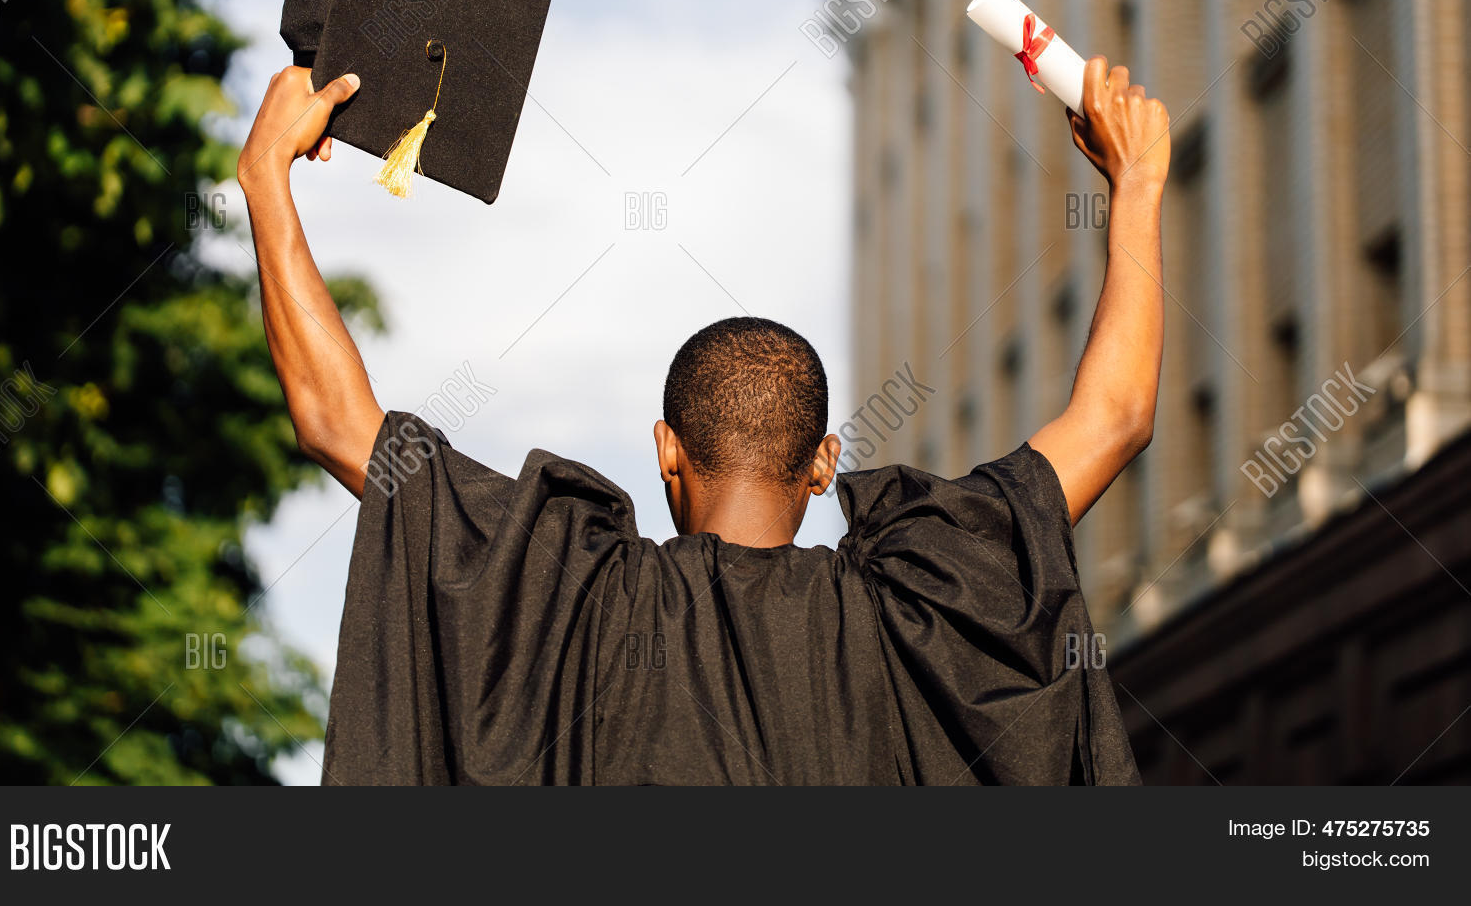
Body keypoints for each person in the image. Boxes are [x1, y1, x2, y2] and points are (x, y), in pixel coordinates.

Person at [238, 57, 1169, 785]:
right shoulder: (927, 606)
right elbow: (1116, 416)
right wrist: (1134, 186)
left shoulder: (569, 598)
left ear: (665, 451)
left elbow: (336, 422)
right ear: (823, 464)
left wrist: (266, 181)